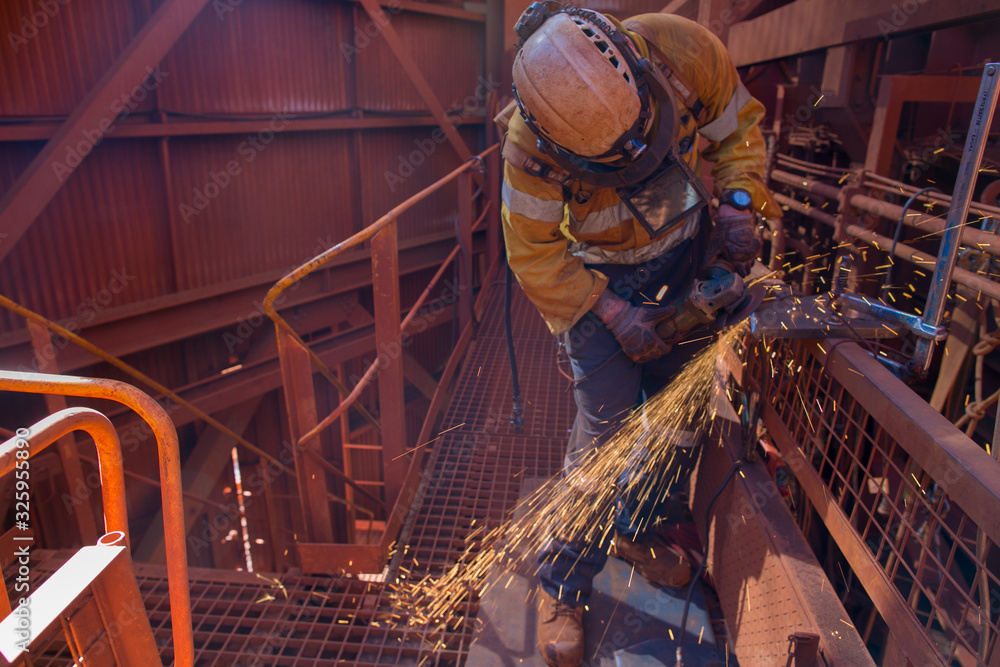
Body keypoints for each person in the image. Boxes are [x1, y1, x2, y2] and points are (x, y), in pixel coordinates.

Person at [496, 3, 782, 666]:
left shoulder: (684, 51)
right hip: (595, 286)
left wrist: (739, 203)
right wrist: (615, 314)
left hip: (683, 247)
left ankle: (635, 526)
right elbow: (535, 255)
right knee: (604, 433)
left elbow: (738, 129)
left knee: (679, 411)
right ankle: (563, 586)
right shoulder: (529, 149)